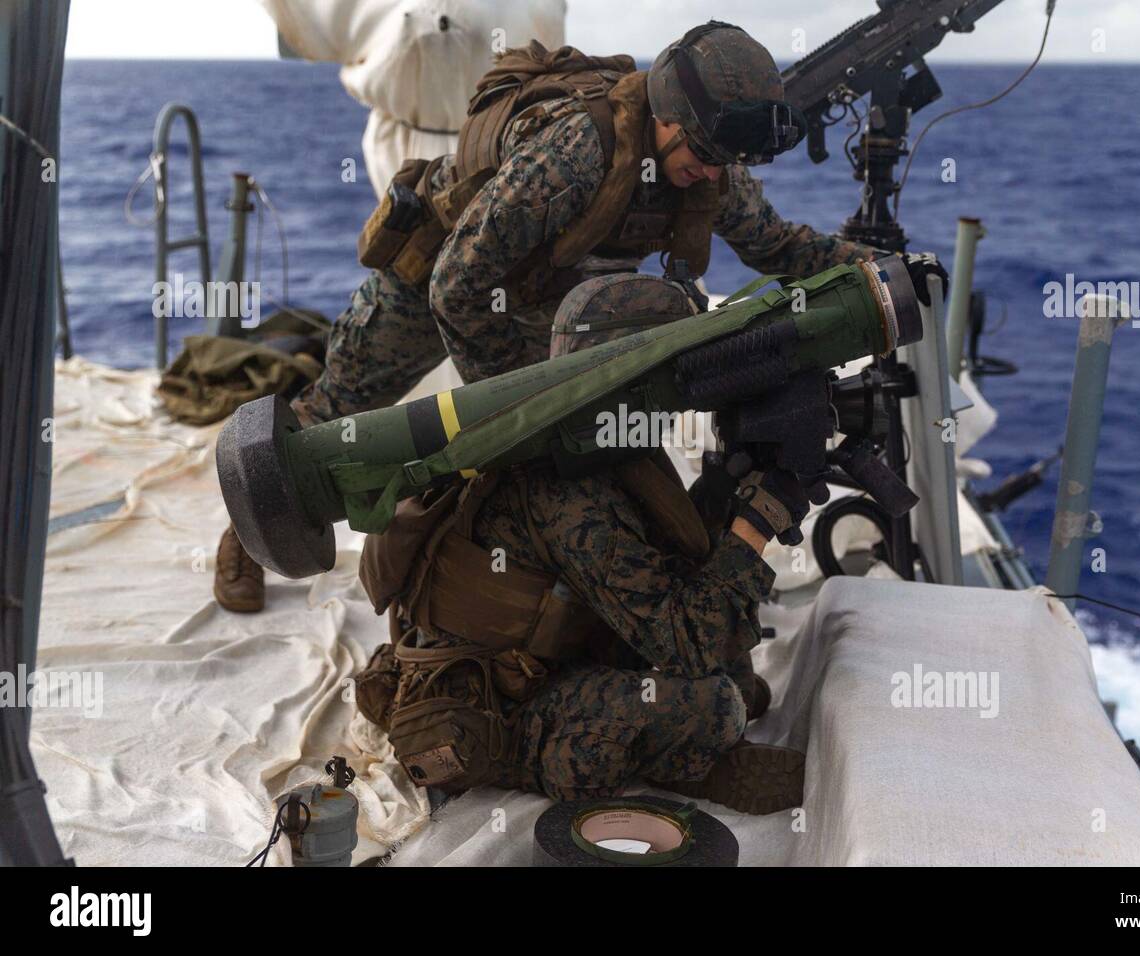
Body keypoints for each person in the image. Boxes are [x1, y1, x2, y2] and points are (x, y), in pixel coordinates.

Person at [215, 20, 936, 611]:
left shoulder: (709, 163)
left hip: (545, 294)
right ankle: (243, 541)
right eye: (705, 156)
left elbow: (775, 244)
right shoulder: (577, 153)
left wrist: (872, 268)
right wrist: (512, 416)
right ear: (667, 117)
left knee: (598, 457)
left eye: (725, 162)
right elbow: (457, 285)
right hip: (437, 271)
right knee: (338, 408)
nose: (712, 176)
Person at [352, 273, 820, 813]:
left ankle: (672, 749)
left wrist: (725, 489)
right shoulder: (567, 488)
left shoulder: (588, 434)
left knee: (737, 675)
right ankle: (562, 756)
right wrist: (757, 523)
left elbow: (658, 561)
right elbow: (685, 639)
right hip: (483, 701)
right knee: (713, 704)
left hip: (538, 653)